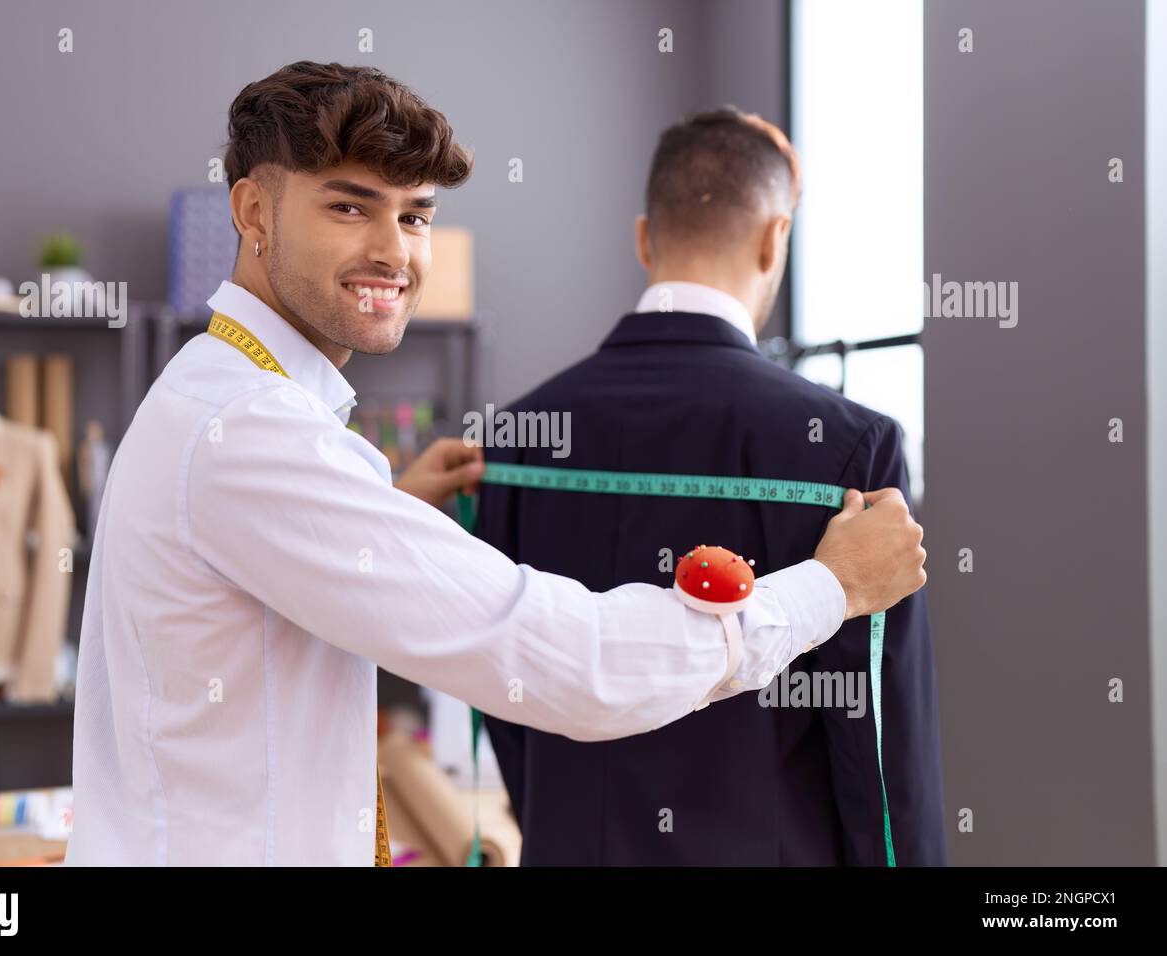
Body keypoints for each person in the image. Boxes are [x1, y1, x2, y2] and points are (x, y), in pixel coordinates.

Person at [66, 63, 927, 866]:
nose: (392, 253)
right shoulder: (251, 429)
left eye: (415, 215)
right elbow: (568, 662)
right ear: (252, 213)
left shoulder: (226, 401)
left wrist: (385, 510)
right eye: (348, 207)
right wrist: (831, 587)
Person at [476, 106, 946, 865]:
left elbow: (505, 697)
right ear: (773, 239)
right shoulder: (853, 448)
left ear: (642, 238)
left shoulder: (516, 438)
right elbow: (881, 746)